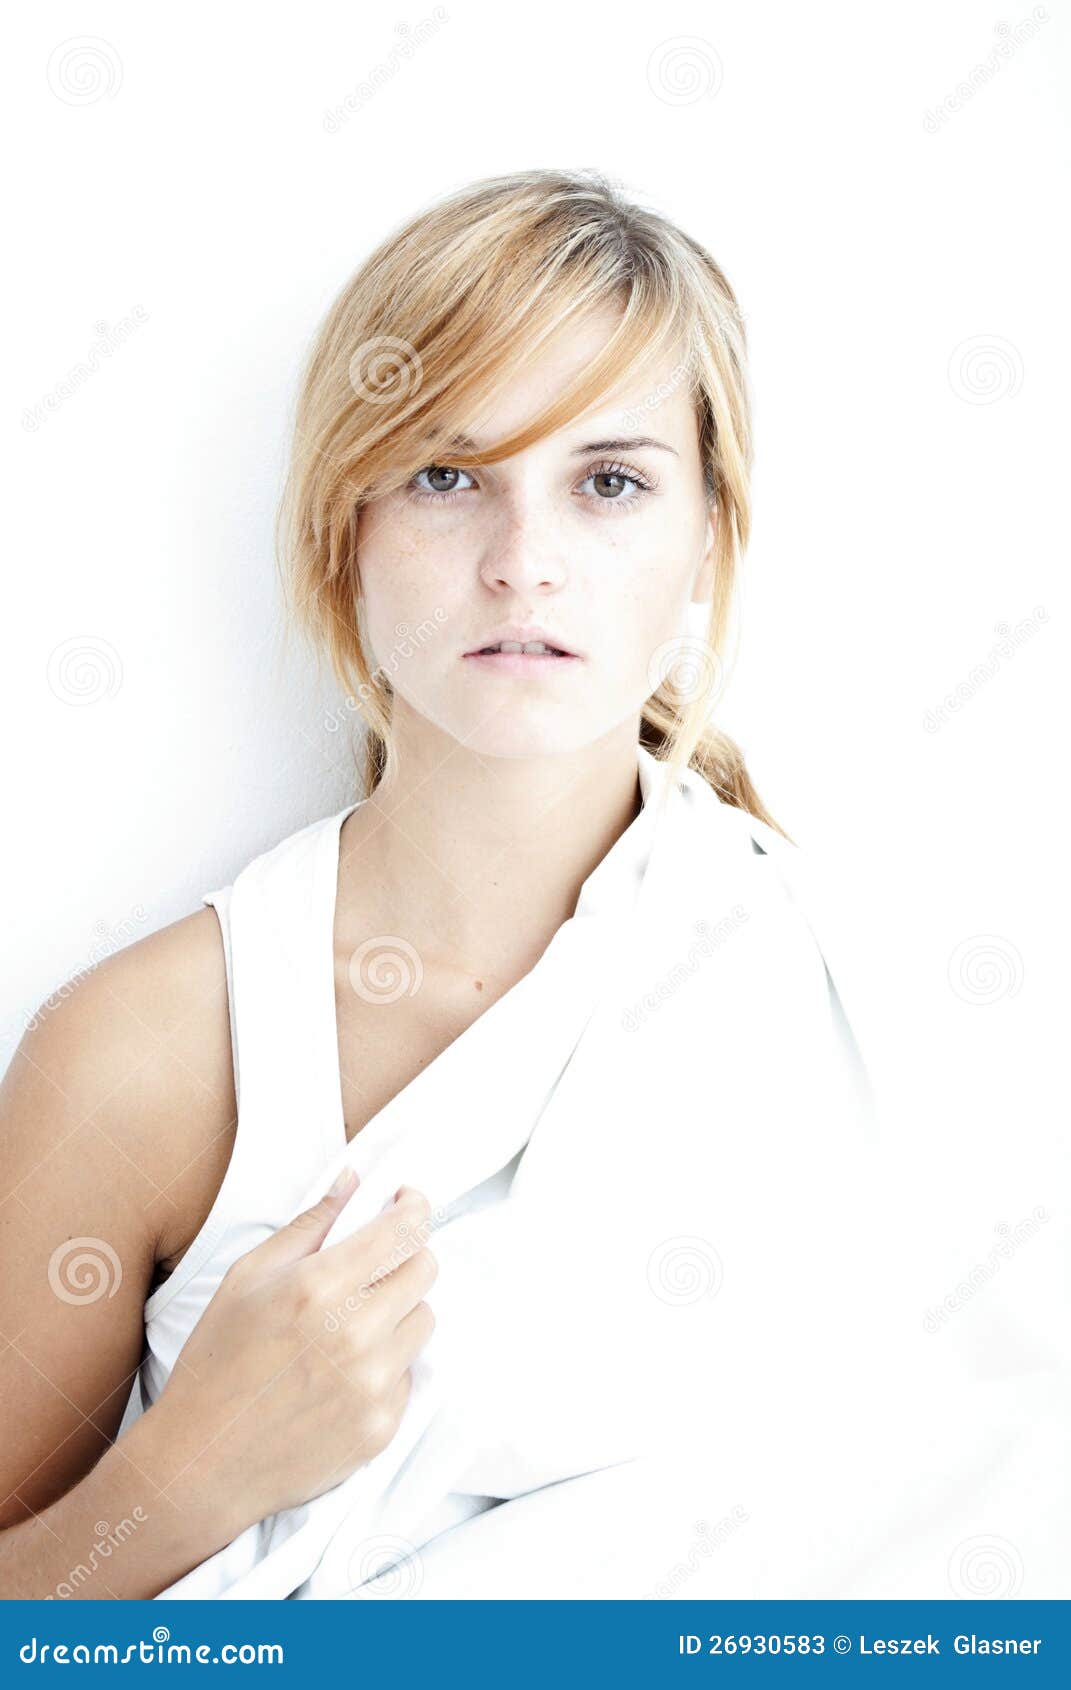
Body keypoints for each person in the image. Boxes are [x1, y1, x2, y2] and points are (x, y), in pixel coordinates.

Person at [0, 168, 873, 1600]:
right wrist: (186, 1479)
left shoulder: (841, 987)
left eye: (609, 481)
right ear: (342, 533)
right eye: (448, 478)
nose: (524, 565)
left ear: (709, 534)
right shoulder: (138, 1059)